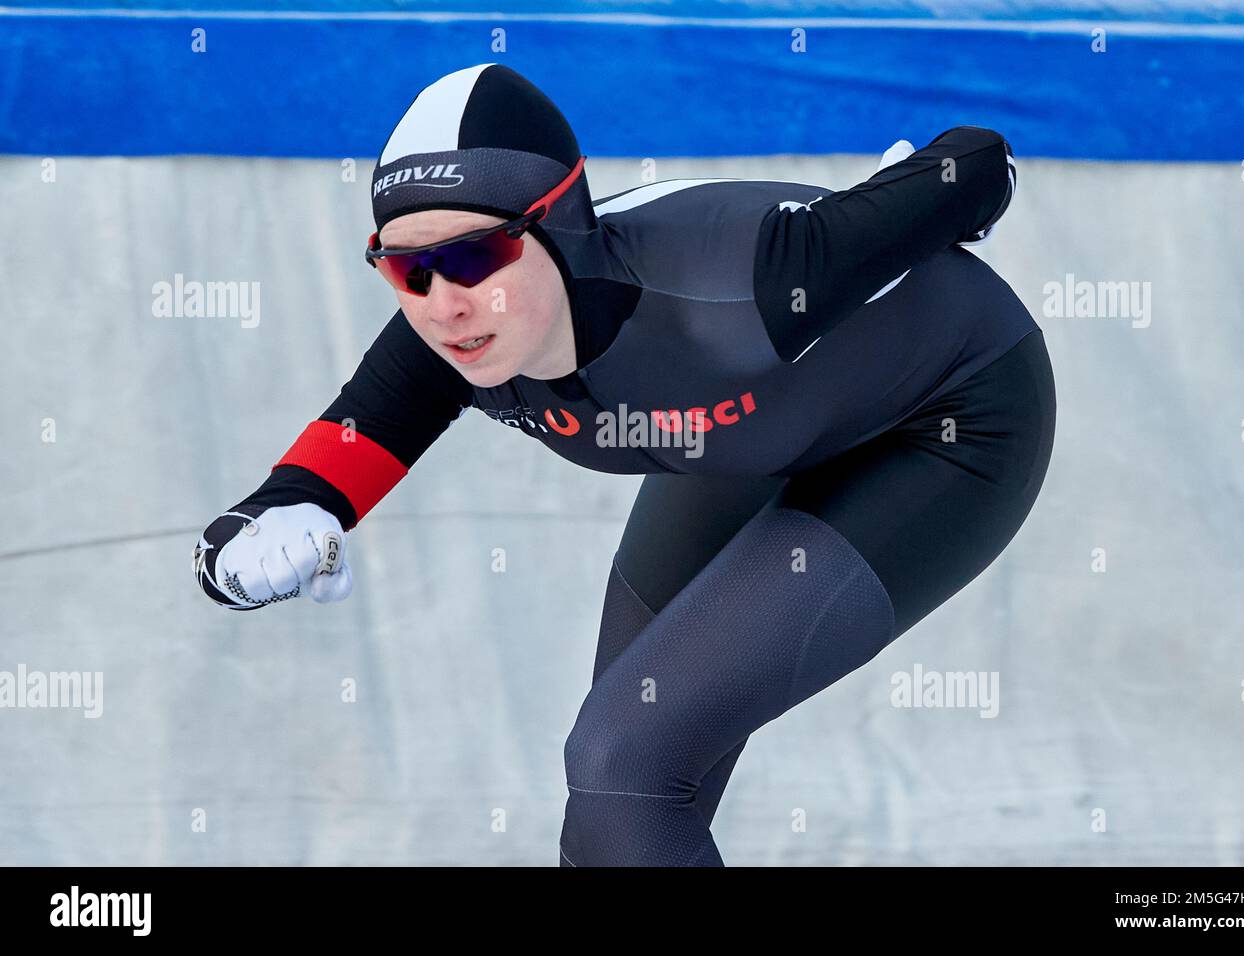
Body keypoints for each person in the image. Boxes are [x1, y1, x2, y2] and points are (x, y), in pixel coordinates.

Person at [193, 63, 1055, 866]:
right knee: (615, 799)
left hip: (950, 422)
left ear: (562, 228)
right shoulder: (441, 339)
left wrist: (905, 203)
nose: (446, 304)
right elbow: (283, 500)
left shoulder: (752, 283)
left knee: (622, 757)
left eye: (475, 257)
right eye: (406, 268)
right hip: (745, 438)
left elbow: (975, 160)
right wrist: (253, 548)